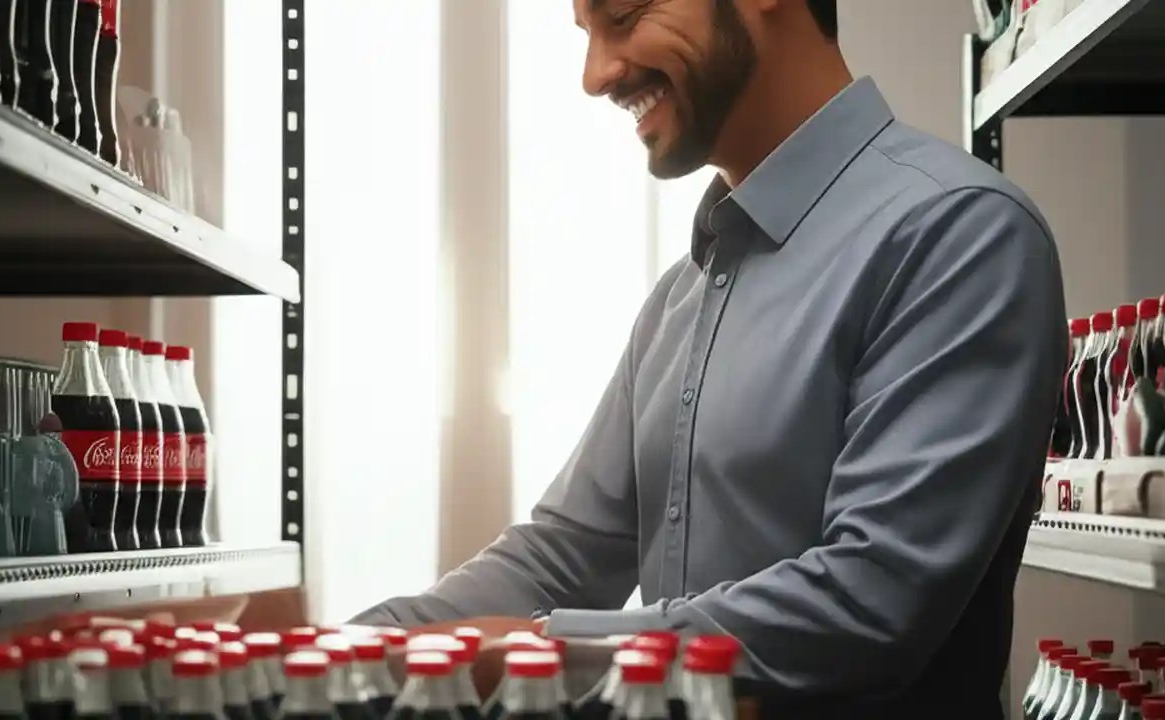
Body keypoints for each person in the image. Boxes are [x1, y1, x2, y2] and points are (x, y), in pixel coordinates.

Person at [354, 0, 1066, 717]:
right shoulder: (680, 295)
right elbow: (565, 553)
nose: (596, 75)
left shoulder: (959, 235)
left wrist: (540, 649)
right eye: (587, 35)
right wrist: (347, 652)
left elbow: (870, 602)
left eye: (624, 16)